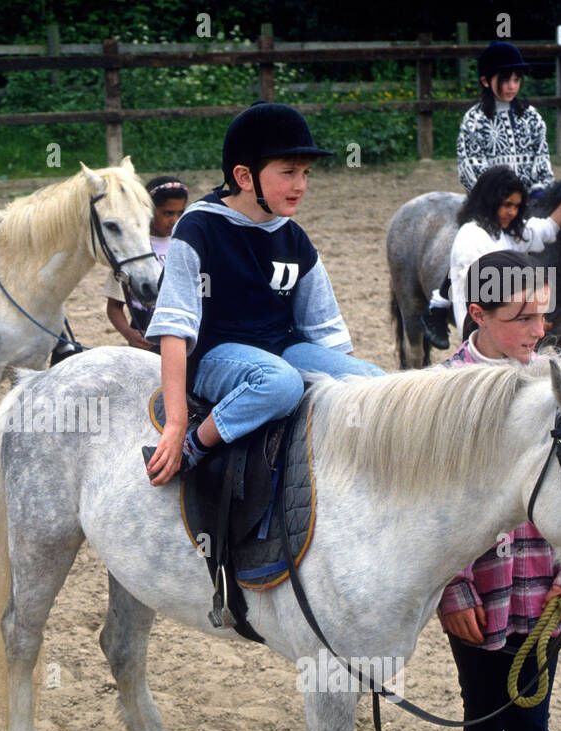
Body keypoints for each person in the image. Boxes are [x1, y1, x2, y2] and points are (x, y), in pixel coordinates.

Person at [143, 102, 383, 485]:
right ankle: (195, 446)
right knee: (281, 383)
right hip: (212, 357)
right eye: (288, 173)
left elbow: (327, 335)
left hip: (282, 350)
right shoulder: (198, 228)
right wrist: (174, 425)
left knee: (375, 383)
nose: (300, 185)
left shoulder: (294, 238)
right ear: (244, 176)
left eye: (305, 173)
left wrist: (351, 384)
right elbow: (174, 327)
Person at [438, 249, 561, 731]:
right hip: (479, 591)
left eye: (542, 315)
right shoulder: (445, 391)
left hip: (542, 582)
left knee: (532, 725)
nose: (539, 329)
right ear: (477, 314)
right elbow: (432, 504)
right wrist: (451, 588)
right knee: (483, 714)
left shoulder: (558, 385)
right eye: (521, 316)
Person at [422, 166, 561, 348]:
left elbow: (547, 229)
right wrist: (530, 317)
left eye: (516, 206)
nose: (512, 212)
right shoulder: (471, 237)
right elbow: (484, 294)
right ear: (490, 201)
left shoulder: (507, 233)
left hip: (506, 334)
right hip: (485, 337)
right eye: (507, 205)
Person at [456, 40, 554, 196]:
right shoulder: (474, 120)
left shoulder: (532, 117)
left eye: (516, 80)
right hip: (490, 203)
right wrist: (501, 198)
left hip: (530, 200)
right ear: (485, 81)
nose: (512, 86)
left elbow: (542, 160)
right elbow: (470, 167)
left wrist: (540, 189)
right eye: (505, 80)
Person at [104, 176, 188, 352]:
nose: (174, 220)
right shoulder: (132, 251)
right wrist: (129, 333)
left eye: (180, 213)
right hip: (146, 335)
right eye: (167, 213)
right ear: (149, 211)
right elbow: (114, 306)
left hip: (182, 330)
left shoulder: (185, 244)